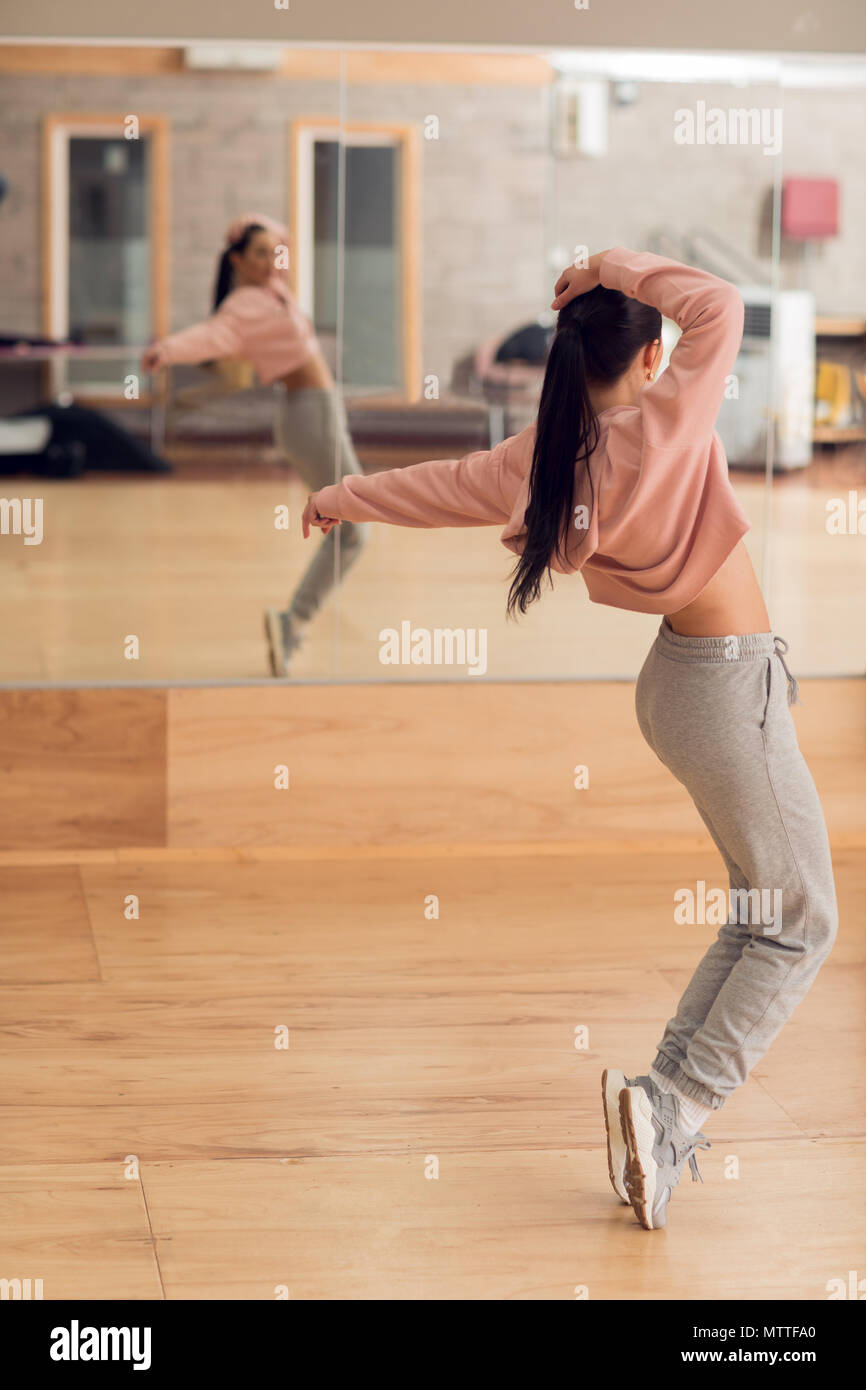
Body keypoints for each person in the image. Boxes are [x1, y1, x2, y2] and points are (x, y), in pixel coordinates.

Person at [301, 246, 839, 1231]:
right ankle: (673, 1110)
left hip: (683, 686)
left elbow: (437, 485)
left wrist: (341, 495)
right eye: (658, 345)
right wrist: (614, 265)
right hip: (724, 688)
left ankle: (658, 1106)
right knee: (802, 920)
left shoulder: (542, 458)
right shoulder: (666, 422)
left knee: (759, 910)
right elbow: (716, 300)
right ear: (644, 361)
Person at [140, 212, 370, 675]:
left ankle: (293, 621)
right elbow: (211, 337)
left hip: (319, 410)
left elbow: (280, 236)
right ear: (238, 262)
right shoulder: (244, 304)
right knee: (354, 527)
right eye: (258, 254)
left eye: (273, 252)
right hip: (310, 414)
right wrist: (166, 350)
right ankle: (293, 620)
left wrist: (252, 226)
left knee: (352, 525)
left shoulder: (273, 291)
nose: (271, 260)